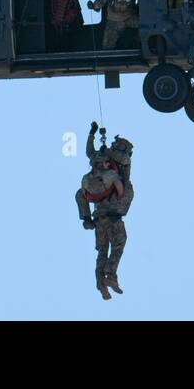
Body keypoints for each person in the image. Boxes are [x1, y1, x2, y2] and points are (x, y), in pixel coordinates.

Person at [75, 121, 129, 299]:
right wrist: (119, 207)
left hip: (98, 217)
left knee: (102, 250)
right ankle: (110, 275)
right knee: (119, 243)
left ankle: (101, 282)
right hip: (113, 215)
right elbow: (121, 191)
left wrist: (91, 134)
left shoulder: (92, 170)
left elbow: (89, 152)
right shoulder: (114, 168)